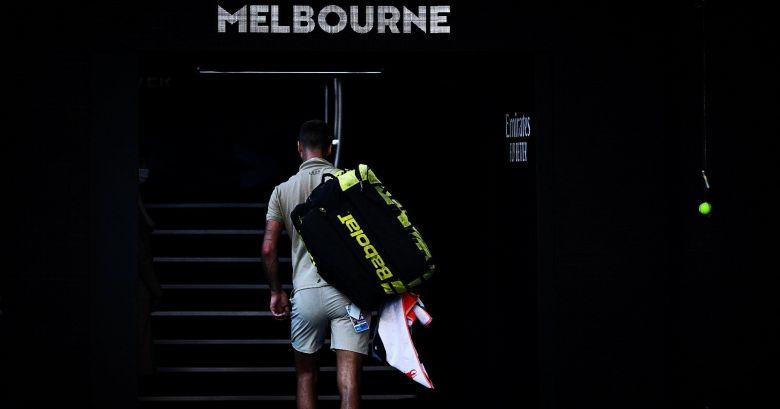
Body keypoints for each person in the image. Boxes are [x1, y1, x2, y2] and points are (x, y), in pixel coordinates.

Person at [262, 120, 369, 409]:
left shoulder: (282, 191)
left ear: (299, 149)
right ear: (330, 148)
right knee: (350, 382)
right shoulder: (348, 183)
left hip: (306, 296)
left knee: (306, 377)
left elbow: (268, 247)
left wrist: (276, 291)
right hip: (349, 296)